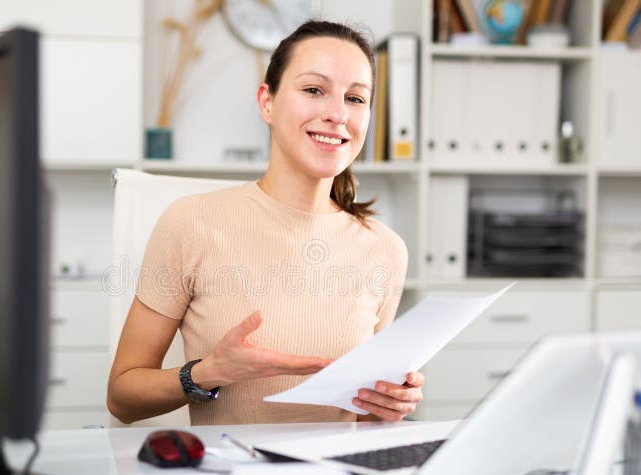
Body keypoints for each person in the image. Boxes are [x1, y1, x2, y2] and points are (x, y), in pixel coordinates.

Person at [107, 20, 424, 426]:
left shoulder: (385, 248)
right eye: (314, 90)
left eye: (355, 98)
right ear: (267, 102)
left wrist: (388, 405)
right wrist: (208, 373)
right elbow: (122, 397)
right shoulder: (191, 223)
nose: (337, 114)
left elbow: (361, 419)